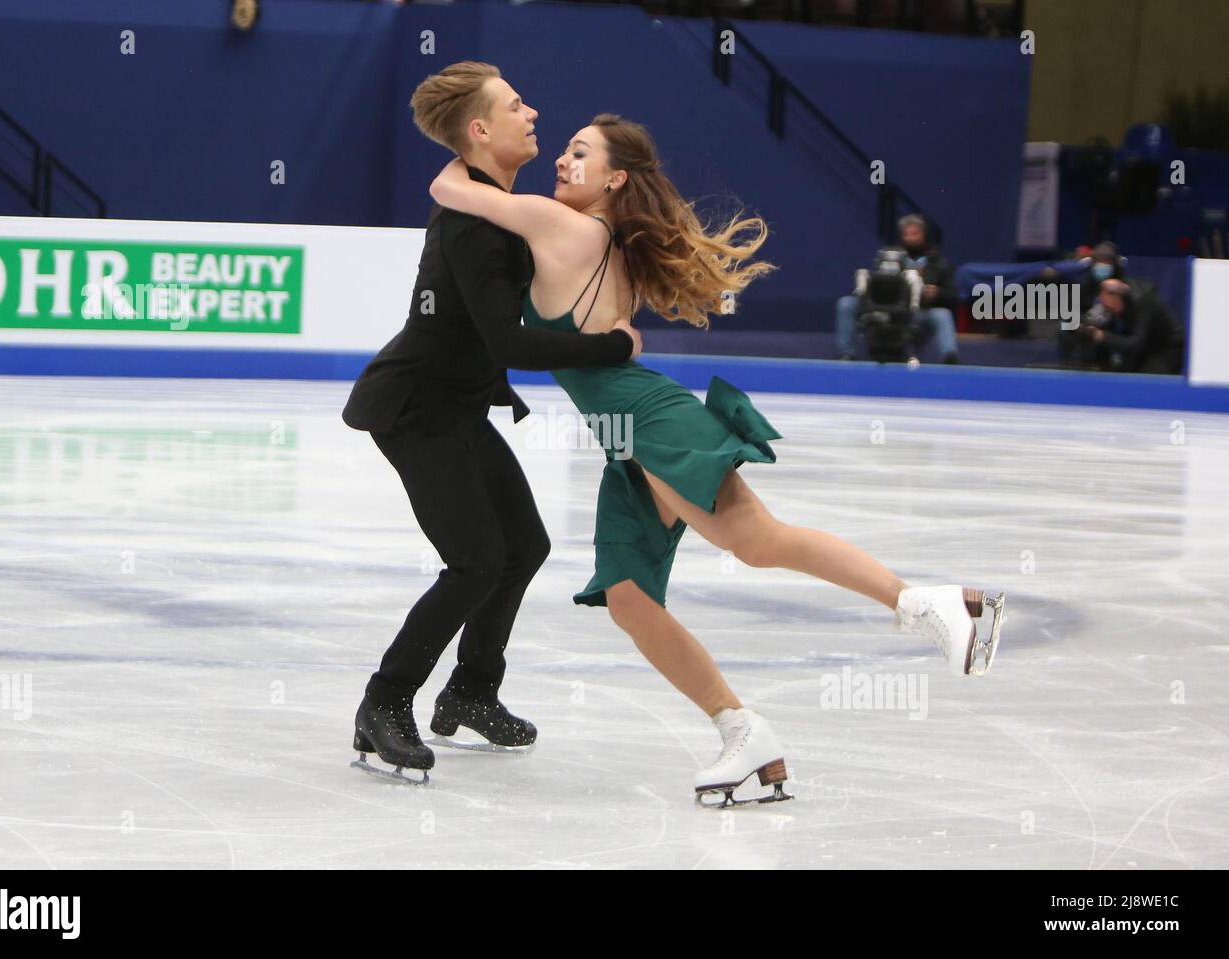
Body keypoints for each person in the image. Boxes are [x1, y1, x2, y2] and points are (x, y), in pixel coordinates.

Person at [431, 114, 1005, 803]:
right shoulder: (606, 238)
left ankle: (923, 602)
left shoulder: (565, 226)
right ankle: (743, 730)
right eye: (562, 150)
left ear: (615, 177)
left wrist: (472, 137)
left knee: (756, 539)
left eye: (578, 153)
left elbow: (452, 186)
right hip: (627, 438)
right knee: (630, 600)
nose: (561, 160)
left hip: (650, 421)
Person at [341, 63, 642, 778]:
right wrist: (612, 346)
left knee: (524, 545)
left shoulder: (490, 204)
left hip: (460, 406)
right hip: (417, 409)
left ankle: (472, 689)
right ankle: (383, 702)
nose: (531, 111)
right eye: (514, 106)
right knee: (475, 561)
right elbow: (509, 341)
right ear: (480, 131)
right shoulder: (475, 223)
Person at [836, 215, 960, 363]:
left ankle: (949, 356)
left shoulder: (939, 263)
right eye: (907, 234)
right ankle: (847, 353)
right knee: (846, 304)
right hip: (883, 307)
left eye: (915, 234)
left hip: (917, 312)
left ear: (924, 235)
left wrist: (937, 294)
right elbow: (876, 281)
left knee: (942, 314)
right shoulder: (887, 256)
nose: (911, 238)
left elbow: (954, 296)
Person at [1084, 278, 1185, 374]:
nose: (1106, 309)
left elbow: (1136, 343)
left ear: (1116, 296)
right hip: (1147, 347)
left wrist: (1102, 336)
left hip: (1169, 347)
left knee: (1147, 377)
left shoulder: (1144, 303)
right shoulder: (1123, 306)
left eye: (1106, 305)